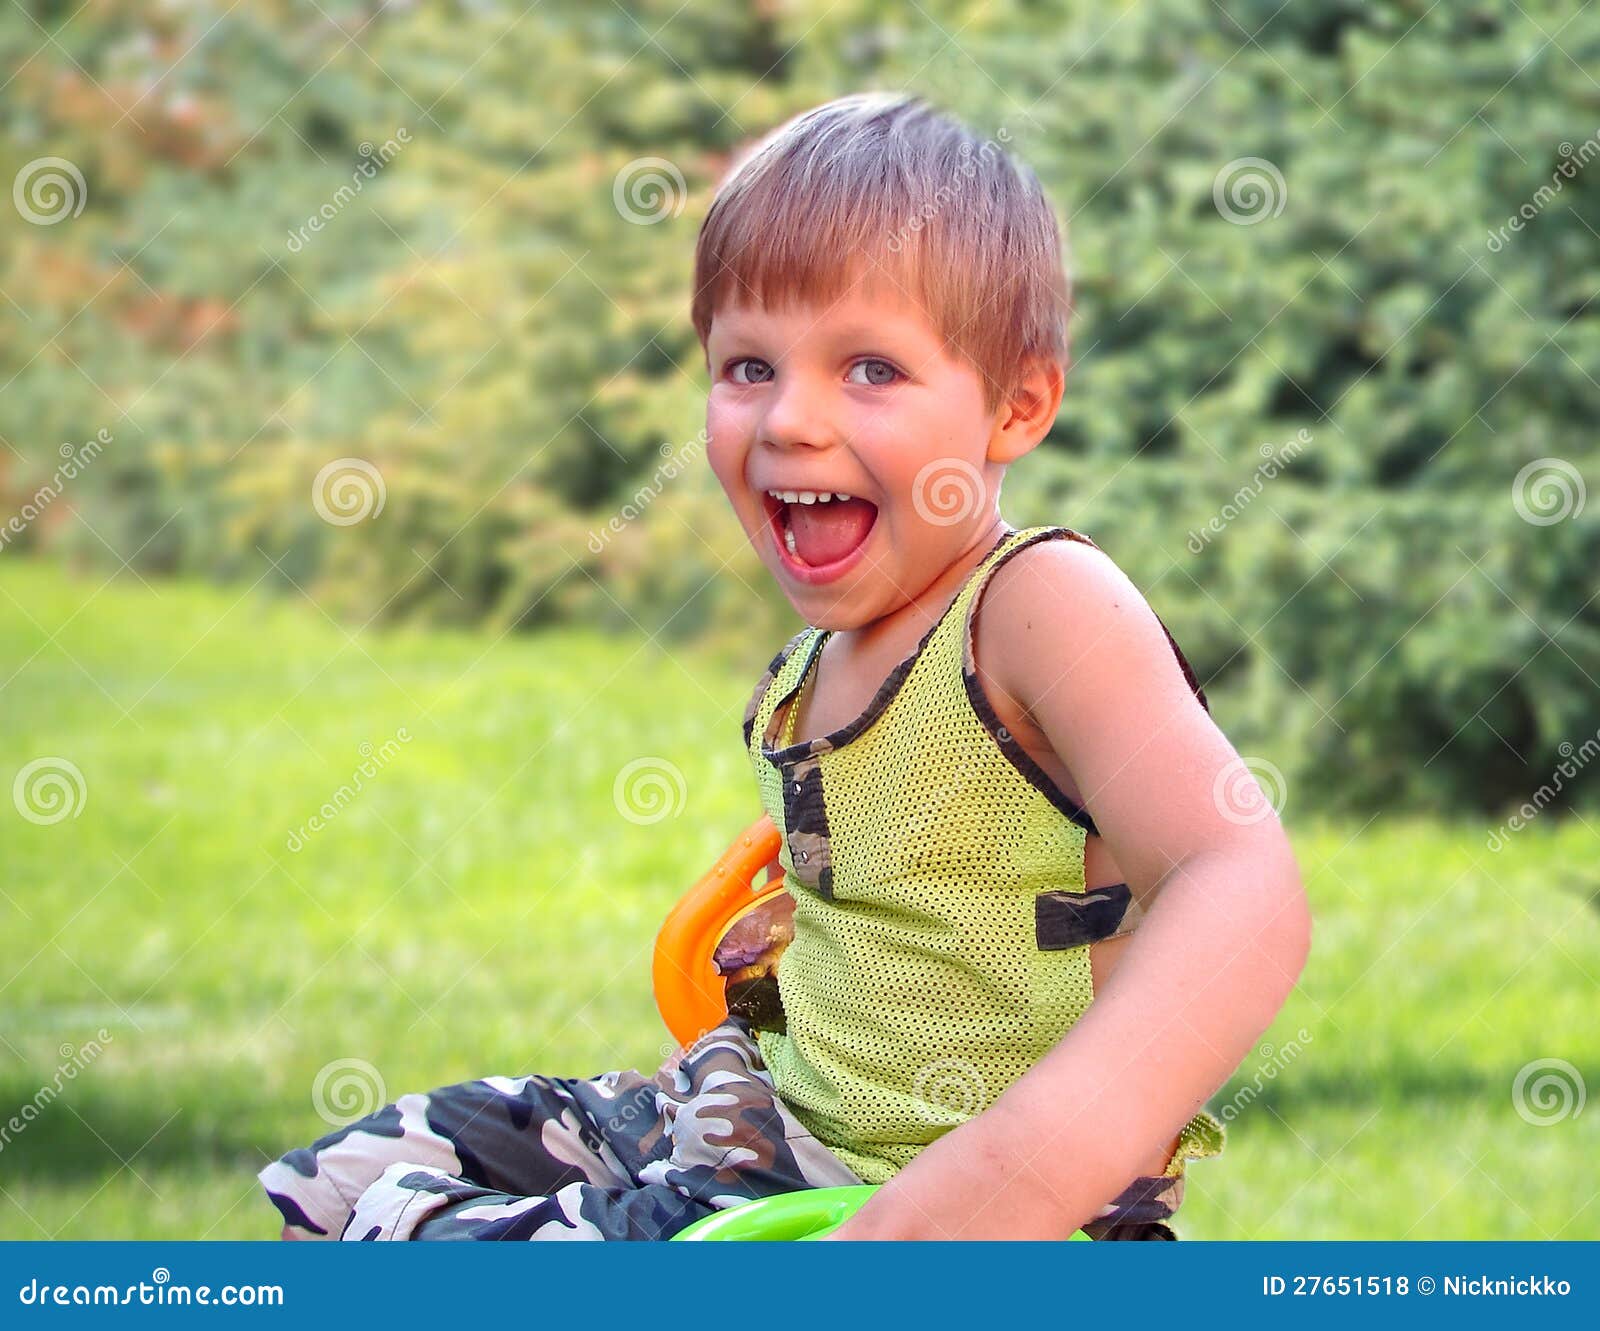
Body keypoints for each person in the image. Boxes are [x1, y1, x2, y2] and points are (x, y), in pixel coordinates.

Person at [257, 91, 1310, 1242]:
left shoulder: (1033, 605)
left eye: (869, 369)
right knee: (352, 1178)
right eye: (747, 366)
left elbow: (1238, 882)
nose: (790, 420)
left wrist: (1016, 1176)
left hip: (950, 1210)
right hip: (761, 1127)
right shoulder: (818, 657)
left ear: (1017, 404)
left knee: (407, 1237)